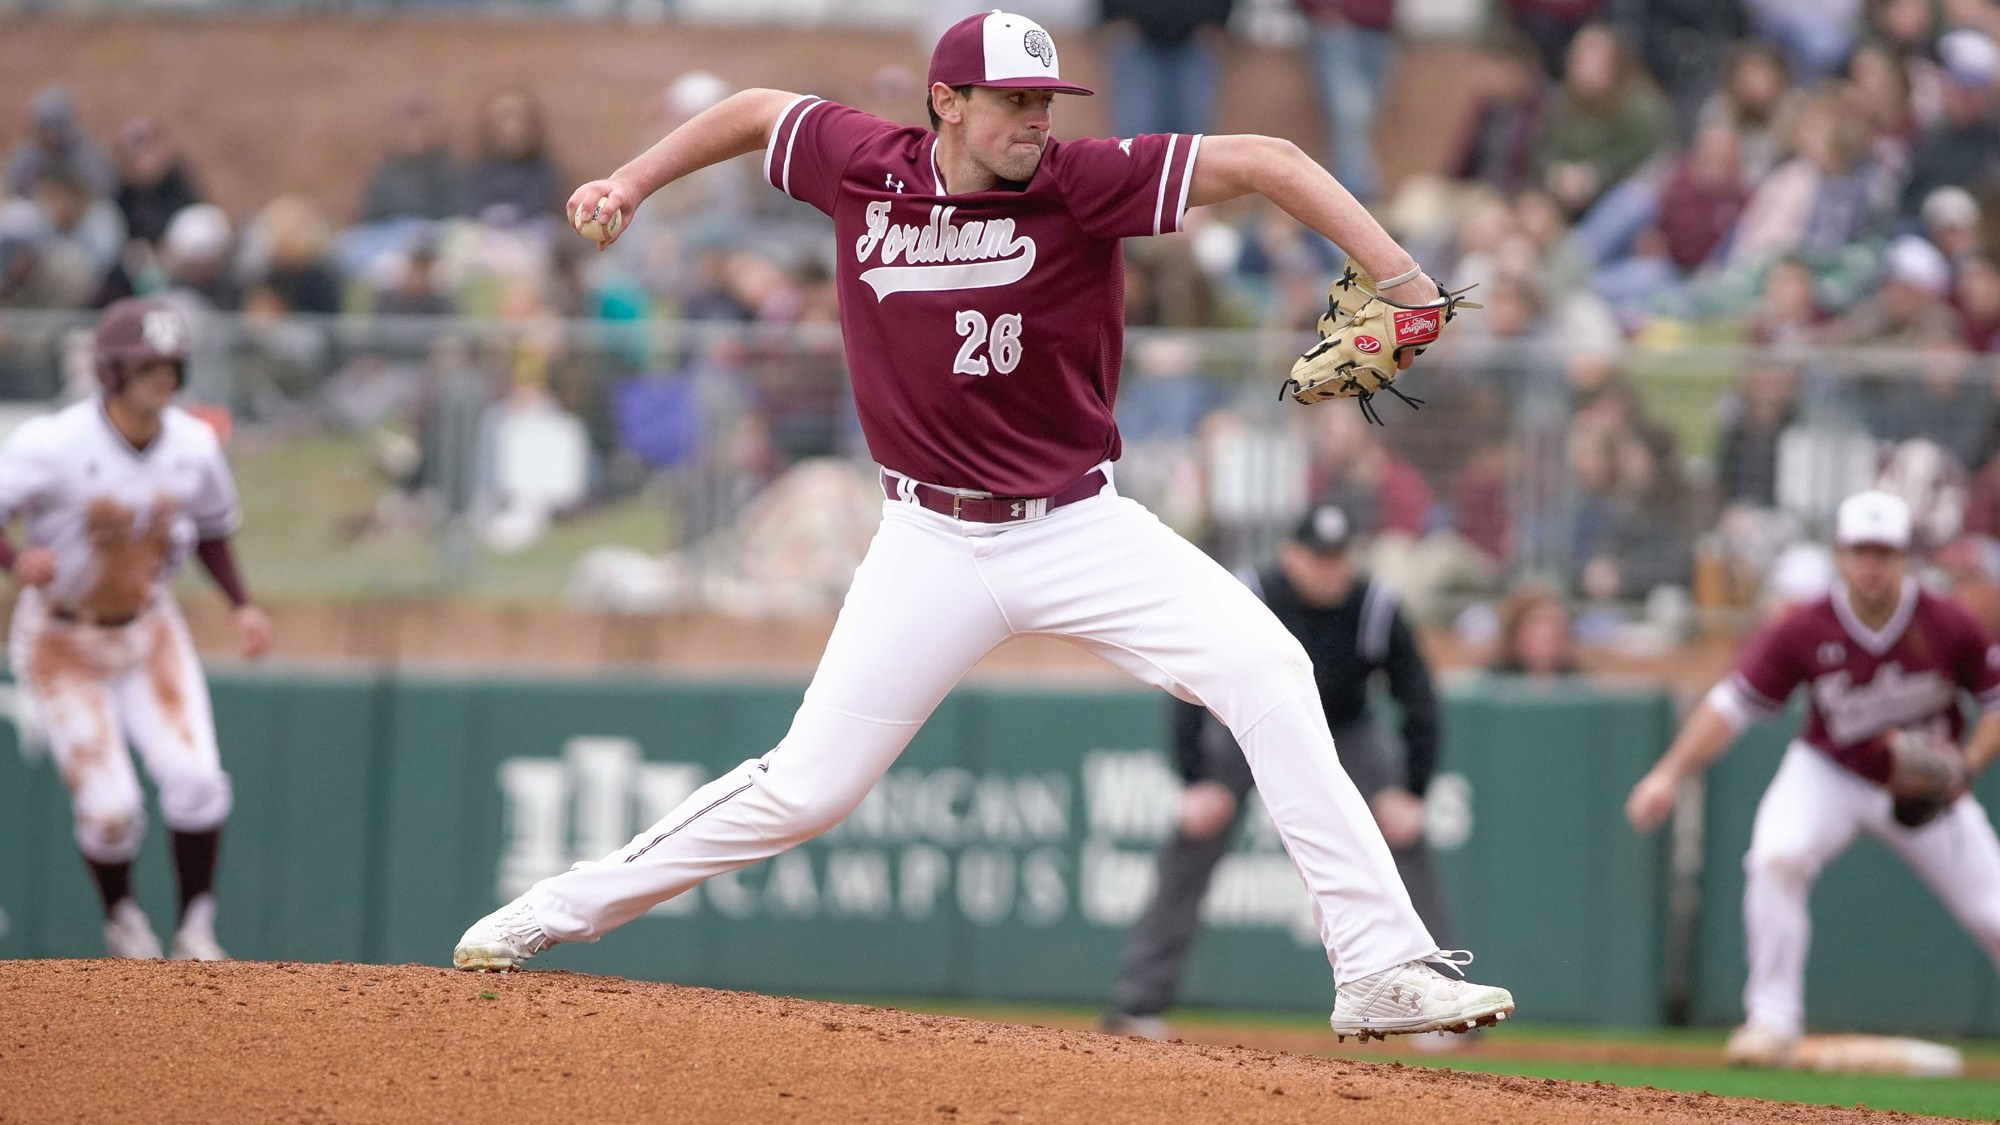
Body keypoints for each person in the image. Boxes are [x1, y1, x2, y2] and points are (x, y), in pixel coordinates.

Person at [452, 10, 1515, 1041]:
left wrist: (1405, 282)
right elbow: (748, 110)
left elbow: (1273, 157)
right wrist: (629, 181)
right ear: (945, 102)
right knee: (807, 790)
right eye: (1011, 100)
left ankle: (1377, 967)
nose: (1034, 119)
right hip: (927, 542)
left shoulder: (1080, 182)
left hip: (1077, 528)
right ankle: (552, 911)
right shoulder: (859, 161)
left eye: (1044, 98)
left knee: (1268, 670)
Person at [1625, 490, 2000, 1067]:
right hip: (1833, 770)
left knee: (1992, 909)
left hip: (1926, 788)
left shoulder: (1948, 623)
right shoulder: (1806, 625)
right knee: (1778, 855)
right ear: (1840, 555)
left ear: (1905, 558)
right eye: (1860, 551)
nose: (1872, 565)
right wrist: (1667, 774)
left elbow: (1995, 701)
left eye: (1885, 552)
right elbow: (1733, 705)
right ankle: (1771, 1021)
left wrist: (1968, 764)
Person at [1102, 503, 1457, 1037]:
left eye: (1339, 558)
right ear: (1290, 554)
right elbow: (1188, 675)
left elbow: (1418, 697)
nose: (1329, 569)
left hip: (1345, 729)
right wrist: (1195, 780)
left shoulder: (1374, 603)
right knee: (1194, 834)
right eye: (1318, 557)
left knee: (1401, 836)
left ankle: (1433, 1001)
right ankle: (1139, 1004)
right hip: (1251, 724)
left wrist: (1412, 789)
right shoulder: (1252, 592)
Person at [0, 298, 271, 960]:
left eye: (170, 363)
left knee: (198, 781)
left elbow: (211, 531)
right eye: (146, 364)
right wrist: (15, 558)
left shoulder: (194, 443)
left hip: (149, 629)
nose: (162, 376)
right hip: (61, 637)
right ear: (112, 369)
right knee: (112, 808)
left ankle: (196, 928)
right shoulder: (53, 443)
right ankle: (124, 918)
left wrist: (241, 602)